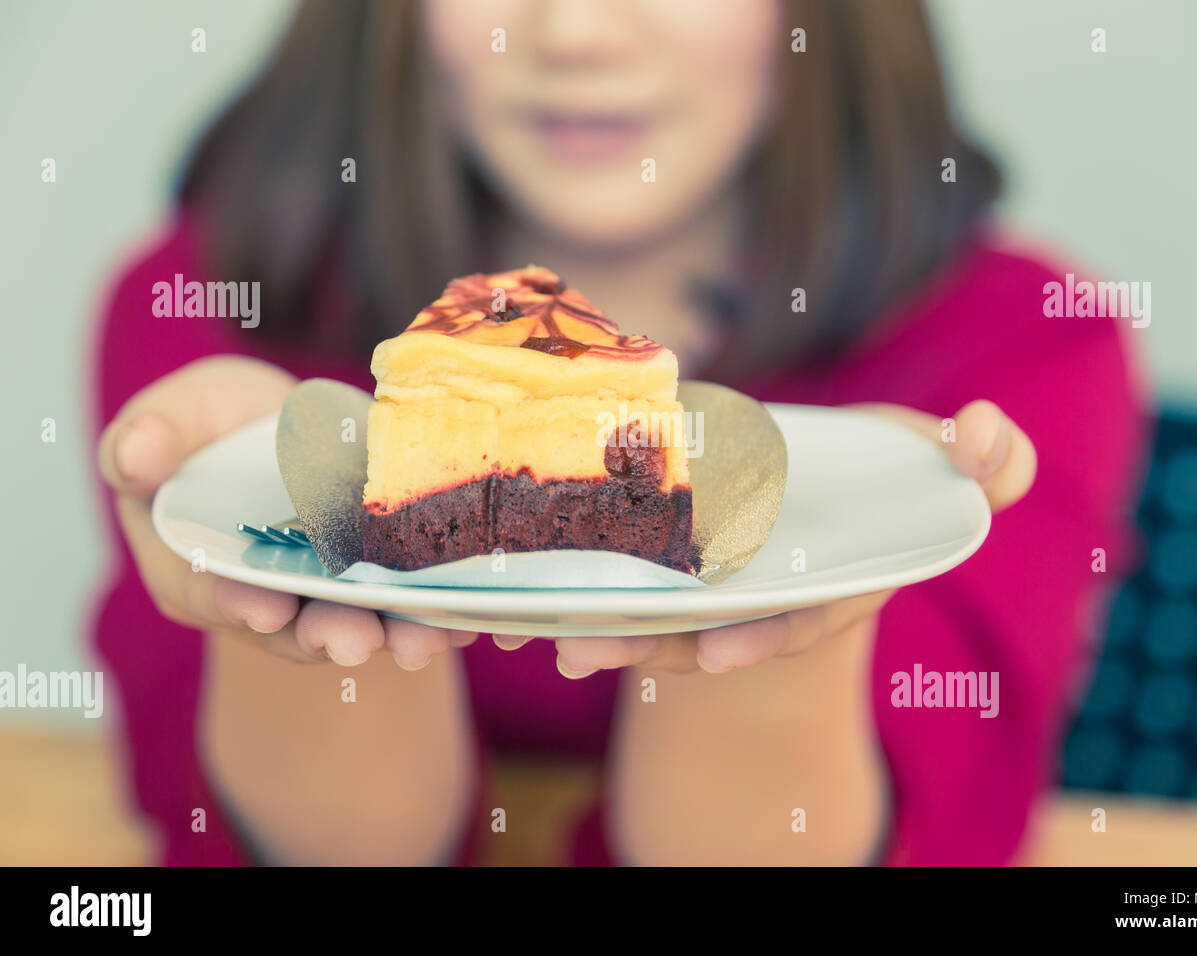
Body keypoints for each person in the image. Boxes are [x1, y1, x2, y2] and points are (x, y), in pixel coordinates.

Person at [91, 0, 1144, 865]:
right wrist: (278, 559)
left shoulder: (1021, 350)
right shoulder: (202, 307)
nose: (577, 32)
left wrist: (806, 583)